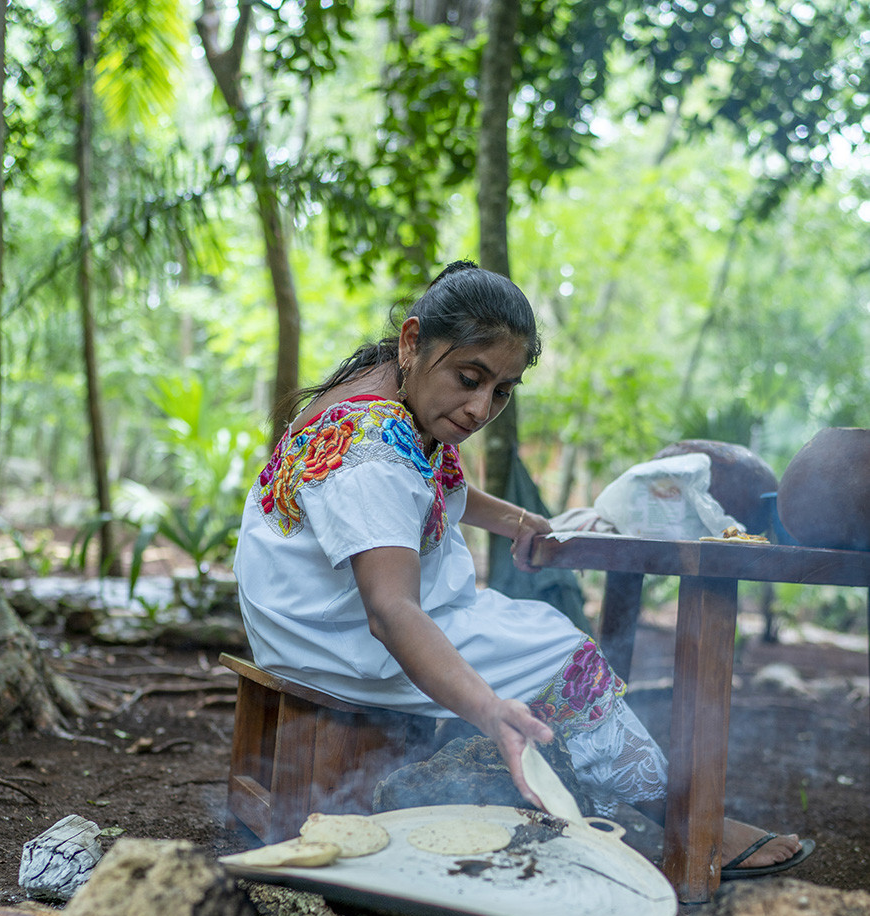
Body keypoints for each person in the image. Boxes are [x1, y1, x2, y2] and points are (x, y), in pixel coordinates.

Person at [234, 261, 807, 876]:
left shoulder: (388, 385)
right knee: (564, 655)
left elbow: (434, 486)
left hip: (300, 612)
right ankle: (689, 823)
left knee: (536, 627)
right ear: (412, 340)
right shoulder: (371, 450)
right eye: (469, 378)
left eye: (502, 391)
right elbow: (391, 611)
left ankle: (631, 800)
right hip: (337, 639)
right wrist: (488, 710)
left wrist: (518, 520)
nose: (480, 408)